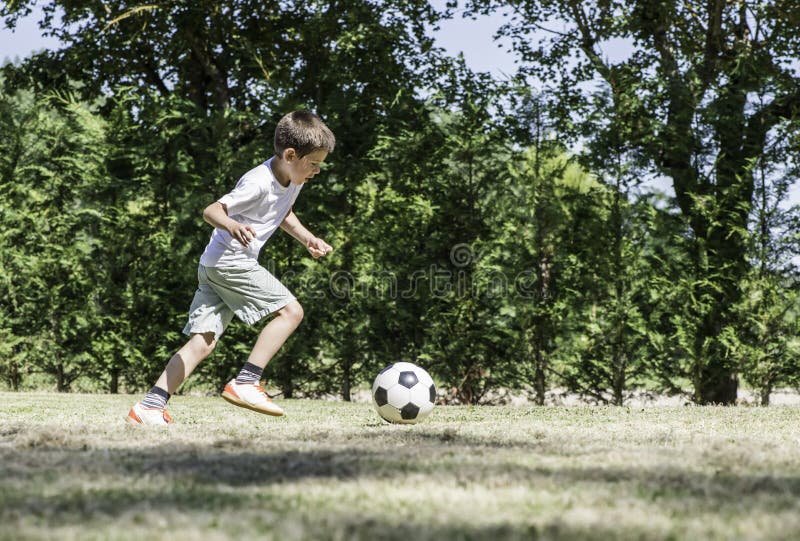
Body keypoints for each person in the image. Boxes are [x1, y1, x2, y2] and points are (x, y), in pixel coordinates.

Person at [127, 110, 335, 426]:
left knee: (203, 342)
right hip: (229, 262)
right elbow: (212, 210)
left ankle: (150, 406)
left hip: (214, 264)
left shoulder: (293, 177)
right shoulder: (258, 182)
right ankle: (247, 381)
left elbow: (282, 211)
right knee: (291, 312)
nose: (317, 171)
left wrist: (307, 239)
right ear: (291, 154)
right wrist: (231, 224)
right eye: (314, 164)